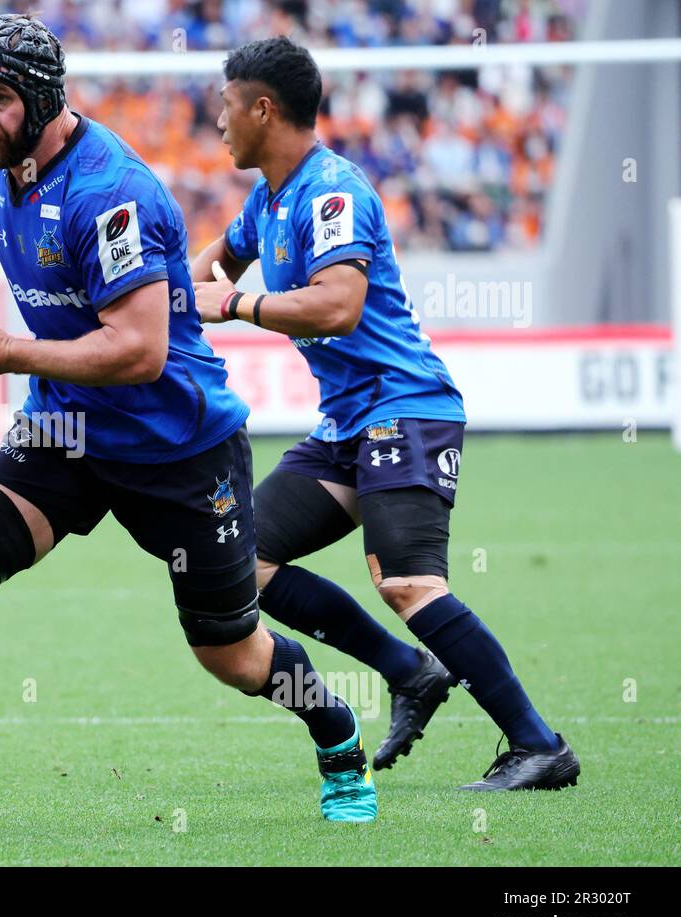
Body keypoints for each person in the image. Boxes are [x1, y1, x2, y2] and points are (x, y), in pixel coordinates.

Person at [0, 14, 377, 832]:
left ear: (46, 101)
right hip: (65, 433)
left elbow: (140, 351)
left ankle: (334, 727)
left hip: (177, 447)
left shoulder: (109, 195)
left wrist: (3, 354)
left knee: (230, 653)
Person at [191, 36, 579, 790]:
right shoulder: (269, 197)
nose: (217, 124)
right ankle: (409, 671)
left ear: (262, 109)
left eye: (226, 107)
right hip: (346, 424)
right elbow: (215, 266)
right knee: (244, 561)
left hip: (406, 408)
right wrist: (161, 299)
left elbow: (338, 305)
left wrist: (234, 304)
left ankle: (540, 746)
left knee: (407, 583)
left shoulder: (333, 191)